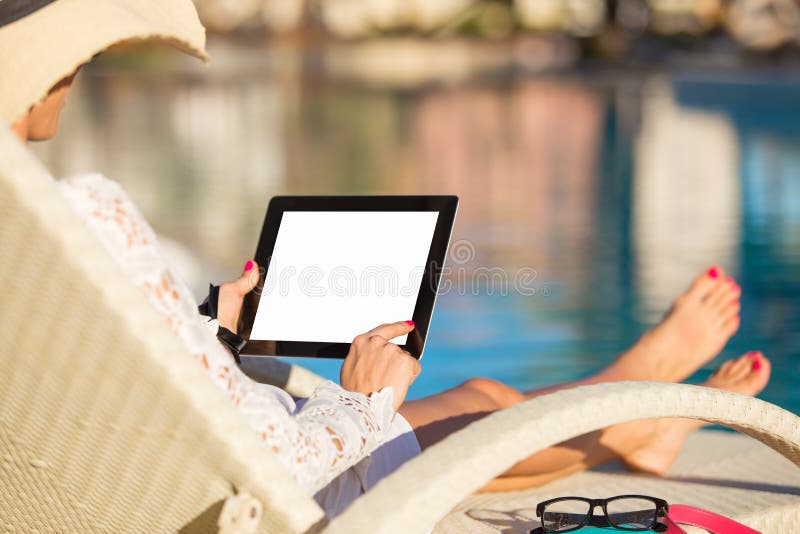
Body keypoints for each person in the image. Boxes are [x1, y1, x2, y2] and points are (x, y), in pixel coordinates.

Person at [2, 0, 770, 518]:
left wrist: (215, 333)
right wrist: (360, 401)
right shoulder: (85, 214)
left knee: (481, 395)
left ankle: (638, 417)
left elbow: (102, 384)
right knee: (485, 409)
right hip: (257, 499)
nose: (79, 69)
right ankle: (644, 407)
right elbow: (290, 471)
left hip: (148, 487)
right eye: (73, 56)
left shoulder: (24, 234)